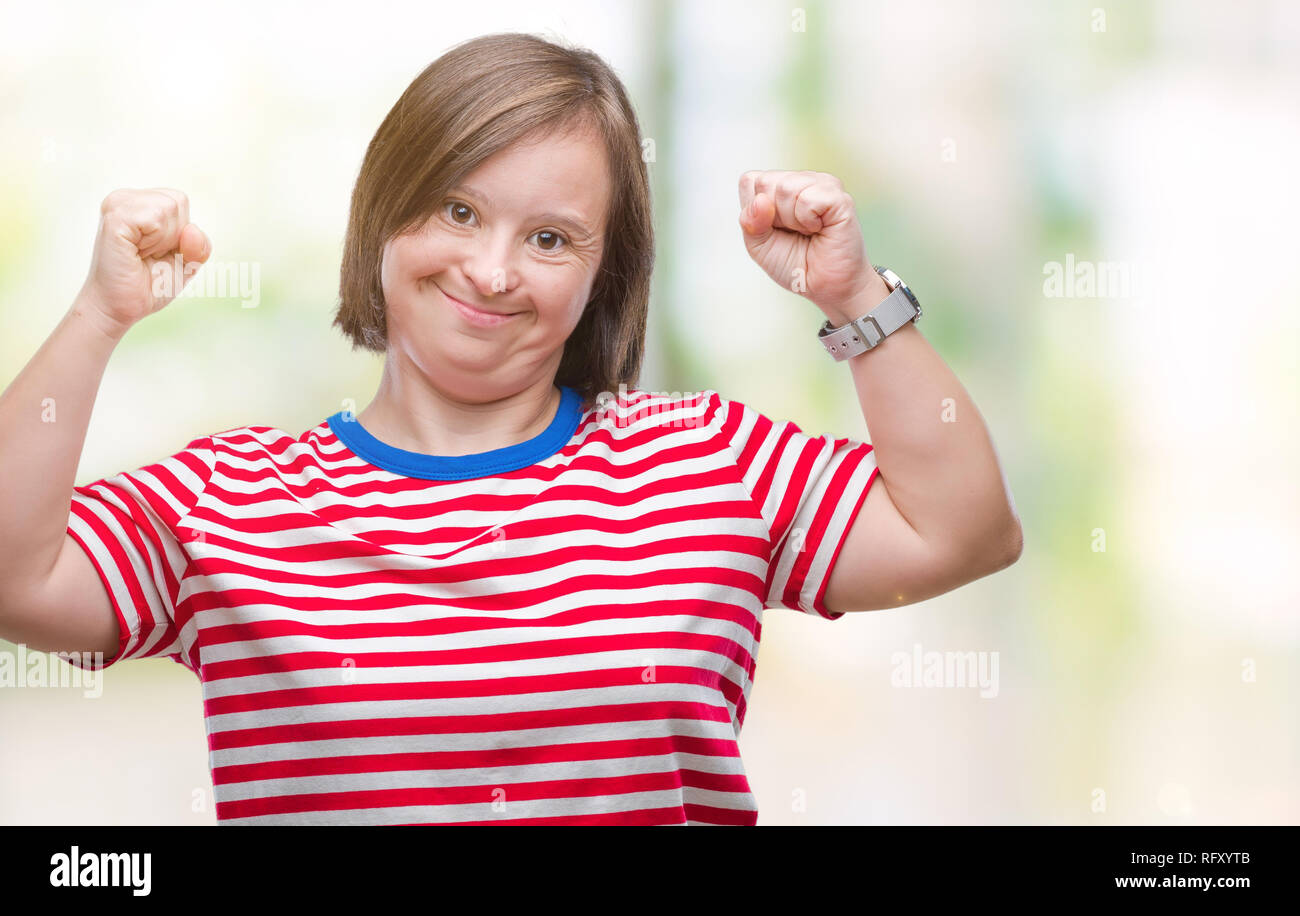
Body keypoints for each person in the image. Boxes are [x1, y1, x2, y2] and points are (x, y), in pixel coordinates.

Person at [0, 32, 1021, 826]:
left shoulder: (707, 460)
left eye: (548, 237)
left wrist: (851, 294)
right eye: (454, 209)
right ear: (383, 217)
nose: (491, 271)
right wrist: (100, 313)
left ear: (599, 275)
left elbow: (961, 530)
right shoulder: (229, 498)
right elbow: (15, 577)